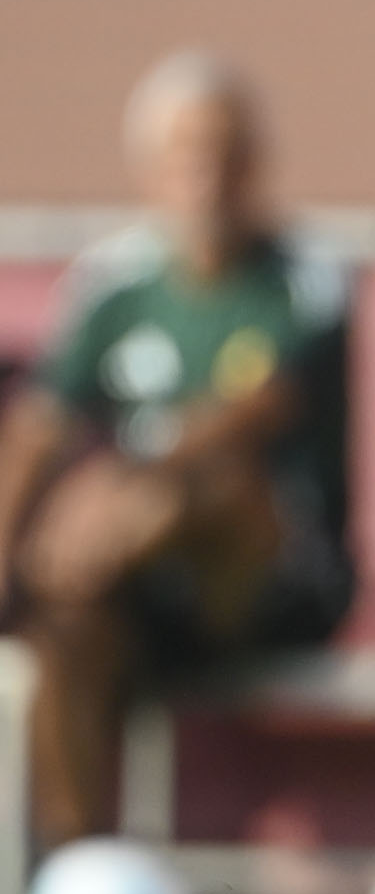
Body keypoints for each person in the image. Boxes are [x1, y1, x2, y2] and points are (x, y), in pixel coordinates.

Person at [0, 56, 353, 852]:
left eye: (225, 150)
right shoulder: (111, 286)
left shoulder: (306, 275)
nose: (207, 173)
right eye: (186, 152)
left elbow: (255, 408)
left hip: (273, 577)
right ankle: (74, 869)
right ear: (149, 170)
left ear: (255, 162)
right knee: (65, 628)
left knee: (201, 486)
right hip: (137, 584)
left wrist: (129, 486)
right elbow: (38, 426)